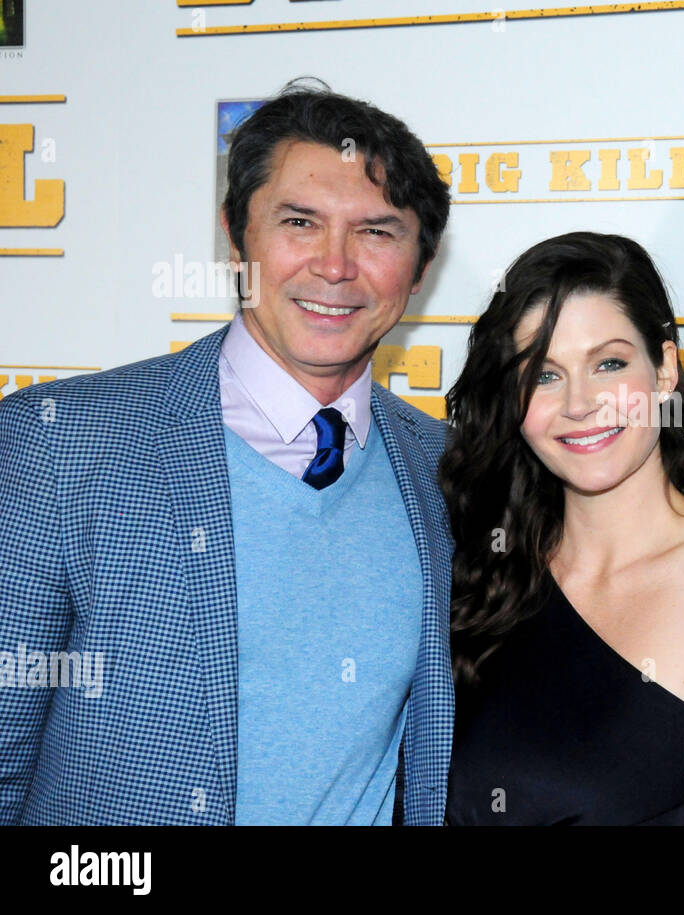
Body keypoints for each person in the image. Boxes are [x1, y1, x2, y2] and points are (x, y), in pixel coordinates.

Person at [0, 81, 455, 824]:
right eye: (299, 222)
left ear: (420, 265)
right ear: (234, 235)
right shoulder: (57, 443)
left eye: (377, 231)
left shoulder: (446, 470)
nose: (335, 265)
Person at [441, 231, 684, 825]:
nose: (580, 403)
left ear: (664, 370)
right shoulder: (478, 574)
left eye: (608, 363)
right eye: (544, 374)